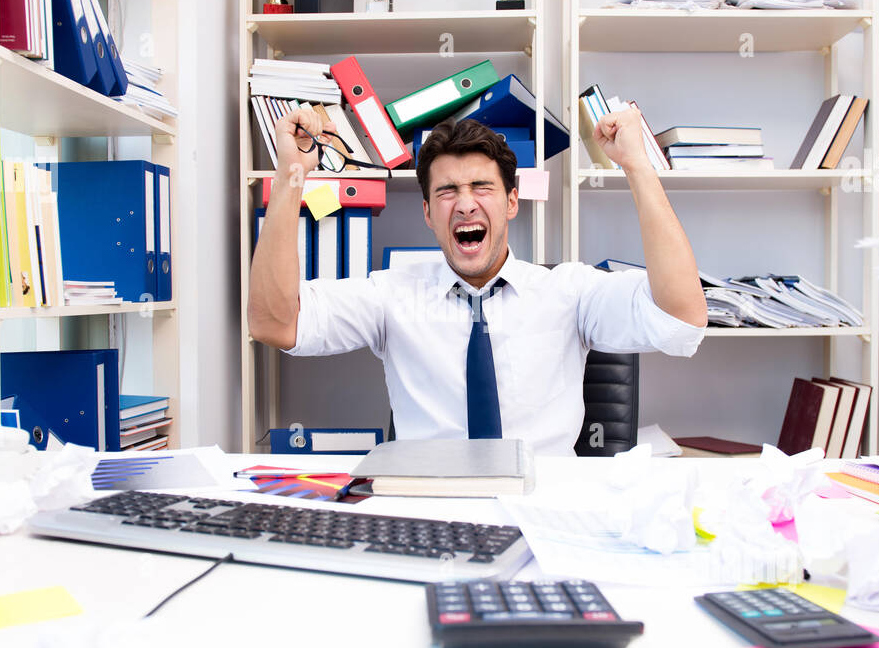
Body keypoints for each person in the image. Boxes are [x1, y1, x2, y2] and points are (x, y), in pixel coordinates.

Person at [247, 107, 708, 456]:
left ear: (511, 202)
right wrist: (292, 177)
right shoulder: (392, 294)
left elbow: (682, 316)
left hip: (545, 514)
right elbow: (273, 322)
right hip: (432, 512)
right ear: (428, 213)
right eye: (447, 191)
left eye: (481, 188)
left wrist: (638, 166)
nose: (465, 204)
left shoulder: (570, 292)